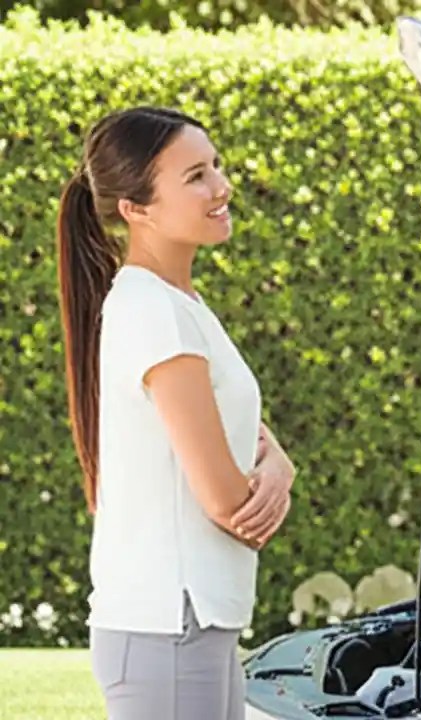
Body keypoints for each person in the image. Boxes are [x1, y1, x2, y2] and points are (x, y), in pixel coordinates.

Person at [56, 106, 296, 720]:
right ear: (136, 209)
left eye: (215, 166)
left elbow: (244, 434)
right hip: (166, 628)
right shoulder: (153, 310)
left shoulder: (178, 304)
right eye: (194, 176)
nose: (221, 186)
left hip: (192, 625)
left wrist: (279, 466)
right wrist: (268, 478)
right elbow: (225, 499)